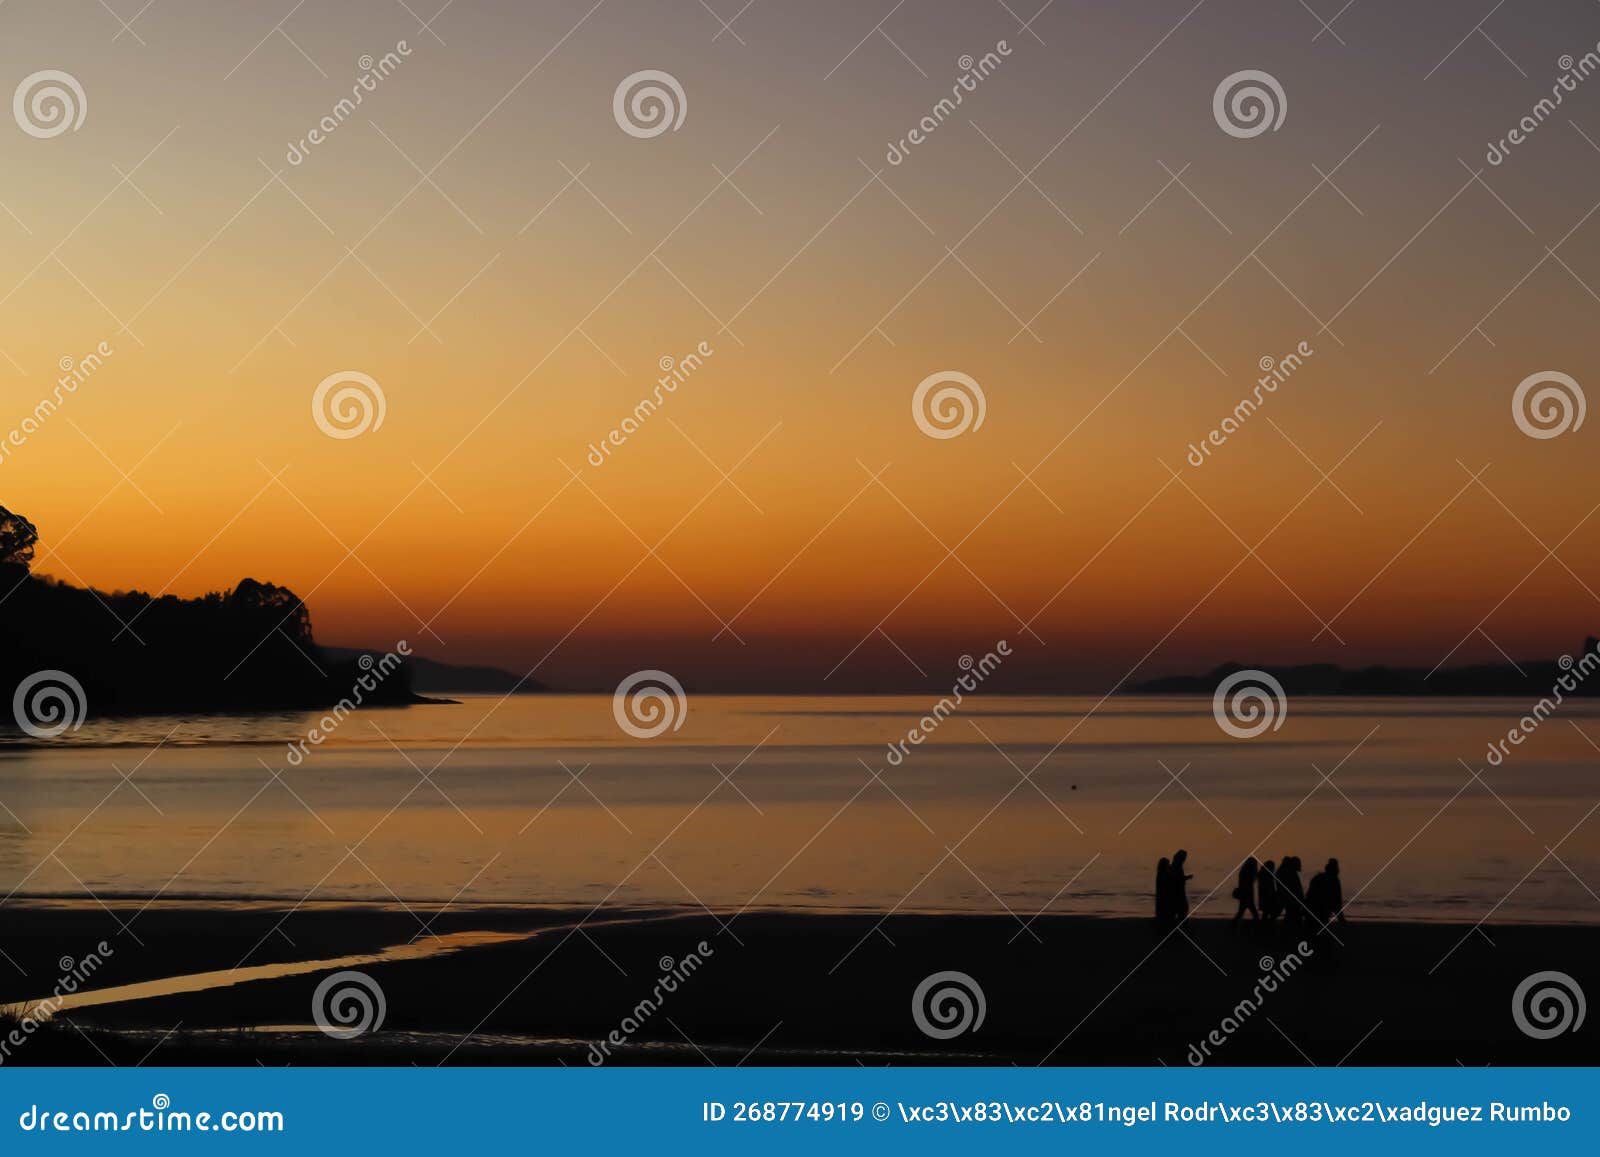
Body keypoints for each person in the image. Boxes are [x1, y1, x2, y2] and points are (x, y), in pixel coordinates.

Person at [1307, 857, 1345, 928]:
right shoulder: (1333, 880)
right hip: (1322, 911)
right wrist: (1342, 920)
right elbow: (1337, 900)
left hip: (1313, 910)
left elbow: (1309, 895)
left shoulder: (1318, 877)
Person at [1278, 855, 1305, 930]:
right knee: (1294, 917)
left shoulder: (1288, 872)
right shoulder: (1292, 874)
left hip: (1291, 900)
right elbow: (1296, 889)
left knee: (1290, 916)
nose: (1300, 865)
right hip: (1293, 900)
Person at [1231, 856, 1259, 924]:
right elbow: (1248, 884)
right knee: (1252, 911)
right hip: (1247, 894)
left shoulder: (1244, 871)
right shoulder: (1248, 872)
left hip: (1244, 893)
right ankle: (1258, 925)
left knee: (1242, 911)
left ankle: (1233, 924)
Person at [1169, 849, 1192, 921]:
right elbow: (1177, 878)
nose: (1185, 859)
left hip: (1178, 891)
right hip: (1178, 891)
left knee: (1180, 909)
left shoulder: (1175, 865)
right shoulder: (1176, 866)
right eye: (1184, 857)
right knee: (1183, 909)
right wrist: (1187, 877)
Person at [1154, 857, 1172, 923]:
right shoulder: (1163, 874)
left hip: (1162, 895)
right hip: (1163, 896)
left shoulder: (1160, 873)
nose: (1169, 865)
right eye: (1168, 864)